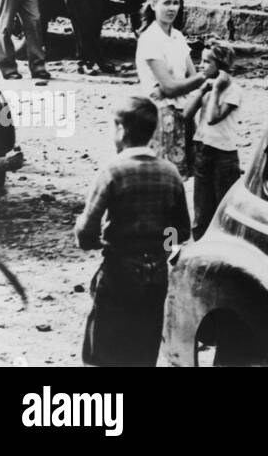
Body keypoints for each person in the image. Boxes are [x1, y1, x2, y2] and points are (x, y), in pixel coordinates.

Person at [76, 95, 190, 366]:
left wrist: (95, 242)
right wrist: (160, 249)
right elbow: (180, 229)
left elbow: (86, 229)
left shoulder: (113, 172)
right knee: (144, 345)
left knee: (106, 347)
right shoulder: (170, 172)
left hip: (119, 273)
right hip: (156, 276)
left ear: (120, 130)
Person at [136, 0, 204, 180]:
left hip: (184, 113)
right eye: (166, 3)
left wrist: (192, 81)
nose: (172, 8)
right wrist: (201, 79)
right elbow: (171, 87)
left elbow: (191, 76)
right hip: (161, 115)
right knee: (164, 177)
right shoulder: (150, 39)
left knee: (181, 178)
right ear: (153, 4)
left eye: (176, 2)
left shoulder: (177, 37)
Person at [183, 40, 240, 240]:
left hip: (224, 155)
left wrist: (216, 89)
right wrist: (201, 92)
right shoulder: (205, 87)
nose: (200, 65)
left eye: (207, 62)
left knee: (222, 209)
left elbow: (212, 118)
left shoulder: (233, 90)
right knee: (201, 210)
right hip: (203, 150)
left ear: (221, 65)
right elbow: (186, 115)